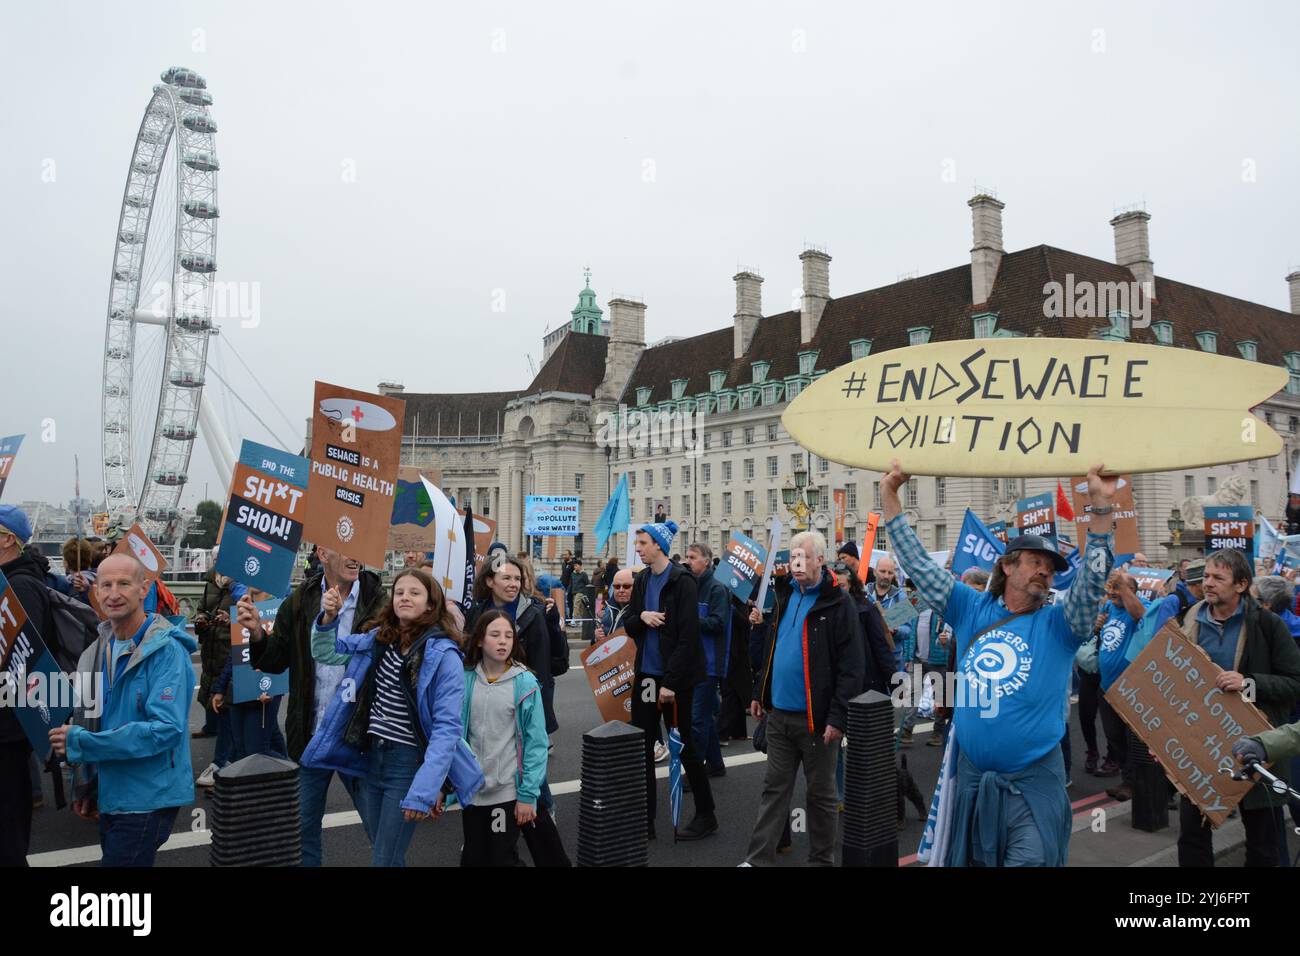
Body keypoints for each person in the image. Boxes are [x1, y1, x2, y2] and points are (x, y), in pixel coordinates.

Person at [881, 459, 1115, 867]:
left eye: (1051, 569)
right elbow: (919, 565)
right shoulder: (971, 607)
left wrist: (1100, 510)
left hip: (1033, 788)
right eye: (1035, 562)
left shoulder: (1061, 624)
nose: (1045, 571)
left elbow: (1093, 581)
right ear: (1007, 566)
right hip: (972, 784)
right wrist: (889, 498)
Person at [294, 568, 481, 867]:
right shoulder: (379, 639)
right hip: (370, 758)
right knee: (386, 853)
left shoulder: (443, 654)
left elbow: (447, 729)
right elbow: (328, 652)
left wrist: (425, 789)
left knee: (384, 858)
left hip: (406, 765)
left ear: (431, 604)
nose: (404, 597)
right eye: (399, 592)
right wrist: (329, 619)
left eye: (414, 592)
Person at [49, 553, 197, 867]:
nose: (113, 593)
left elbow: (165, 730)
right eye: (106, 585)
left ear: (144, 589)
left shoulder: (168, 652)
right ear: (96, 592)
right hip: (112, 791)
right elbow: (90, 718)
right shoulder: (97, 649)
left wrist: (83, 744)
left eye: (123, 584)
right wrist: (88, 785)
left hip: (147, 798)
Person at [246, 546, 387, 866]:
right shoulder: (299, 601)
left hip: (360, 737)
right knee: (303, 833)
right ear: (323, 553)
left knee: (381, 833)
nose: (356, 557)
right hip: (312, 735)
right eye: (346, 550)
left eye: (359, 550)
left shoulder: (380, 603)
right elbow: (274, 661)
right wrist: (256, 632)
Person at [743, 529, 864, 866]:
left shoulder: (840, 603)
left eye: (804, 556)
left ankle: (821, 861)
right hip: (779, 715)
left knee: (820, 796)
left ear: (819, 560)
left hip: (817, 720)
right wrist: (759, 692)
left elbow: (852, 669)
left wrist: (838, 718)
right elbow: (772, 647)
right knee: (773, 791)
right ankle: (757, 859)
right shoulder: (784, 594)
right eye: (793, 555)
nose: (796, 562)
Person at [1173, 548, 1300, 867]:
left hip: (1258, 752)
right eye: (1206, 577)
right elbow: (1171, 686)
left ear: (1241, 585)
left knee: (1263, 846)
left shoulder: (1267, 625)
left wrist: (1249, 683)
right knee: (1192, 840)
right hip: (1200, 751)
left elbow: (1295, 682)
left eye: (1218, 577)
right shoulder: (1187, 621)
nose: (1208, 583)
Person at [622, 519, 718, 840]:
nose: (638, 549)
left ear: (659, 545)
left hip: (675, 680)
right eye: (637, 544)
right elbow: (630, 624)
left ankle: (706, 814)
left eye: (643, 544)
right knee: (643, 749)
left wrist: (671, 683)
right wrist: (642, 617)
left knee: (685, 746)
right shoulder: (642, 580)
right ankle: (645, 818)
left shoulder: (683, 582)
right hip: (647, 676)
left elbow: (688, 637)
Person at [454, 609, 568, 866]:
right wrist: (445, 786)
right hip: (474, 792)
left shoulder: (525, 683)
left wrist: (528, 795)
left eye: (508, 635)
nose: (503, 640)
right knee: (473, 860)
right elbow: (454, 736)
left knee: (501, 859)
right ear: (480, 640)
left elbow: (536, 743)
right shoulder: (465, 679)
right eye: (495, 635)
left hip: (508, 790)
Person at [0, 506, 56, 864]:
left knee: (7, 832)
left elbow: (23, 657)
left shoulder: (21, 585)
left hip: (8, 729)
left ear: (7, 539)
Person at [1096, 571, 1148, 801]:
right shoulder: (1108, 608)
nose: (1113, 591)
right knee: (1113, 736)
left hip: (1131, 688)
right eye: (1112, 587)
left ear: (1132, 591)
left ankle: (1137, 784)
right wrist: (1097, 625)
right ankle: (1129, 779)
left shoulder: (1141, 605)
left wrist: (1122, 587)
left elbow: (1140, 615)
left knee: (1133, 739)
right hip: (1106, 687)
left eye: (1118, 587)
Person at [685, 542, 729, 778]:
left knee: (697, 720)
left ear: (707, 561)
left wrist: (689, 618)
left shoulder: (716, 589)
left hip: (709, 664)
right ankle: (716, 764)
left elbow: (718, 623)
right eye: (688, 557)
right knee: (704, 717)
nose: (688, 561)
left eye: (693, 557)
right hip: (694, 661)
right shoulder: (691, 586)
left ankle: (695, 772)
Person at [192, 566, 237, 786]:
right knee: (211, 688)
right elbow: (201, 608)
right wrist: (201, 619)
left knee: (227, 704)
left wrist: (230, 622)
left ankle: (222, 764)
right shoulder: (211, 581)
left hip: (229, 649)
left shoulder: (241, 586)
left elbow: (253, 618)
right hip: (211, 646)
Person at [596, 567, 634, 641]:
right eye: (617, 586)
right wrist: (596, 638)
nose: (621, 590)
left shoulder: (640, 612)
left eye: (626, 586)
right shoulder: (607, 609)